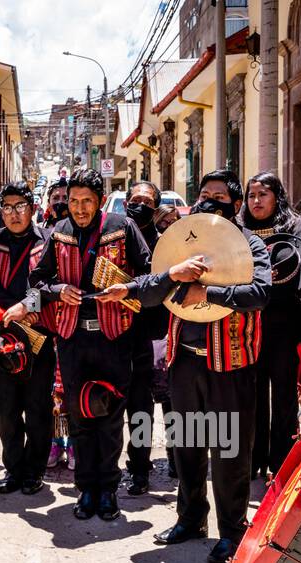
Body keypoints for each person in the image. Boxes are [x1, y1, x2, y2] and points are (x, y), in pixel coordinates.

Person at [102, 169, 272, 563]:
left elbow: (260, 293)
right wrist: (128, 289)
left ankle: (232, 531)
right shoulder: (179, 240)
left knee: (229, 454)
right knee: (187, 447)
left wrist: (207, 291)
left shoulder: (249, 244)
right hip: (185, 364)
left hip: (229, 364)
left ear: (235, 204)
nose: (210, 201)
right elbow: (156, 284)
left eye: (220, 195)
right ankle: (190, 518)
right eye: (204, 194)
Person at [31, 167, 152, 521]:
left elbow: (148, 273)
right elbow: (36, 281)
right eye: (73, 201)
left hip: (114, 335)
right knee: (80, 413)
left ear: (99, 201)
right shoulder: (59, 233)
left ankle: (109, 490)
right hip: (72, 337)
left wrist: (125, 287)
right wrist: (57, 290)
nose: (79, 208)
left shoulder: (121, 227)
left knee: (111, 413)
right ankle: (86, 490)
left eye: (87, 201)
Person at [0, 181, 53, 495]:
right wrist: (14, 312)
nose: (13, 213)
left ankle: (35, 470)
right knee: (7, 408)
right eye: (6, 207)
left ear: (32, 208)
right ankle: (13, 469)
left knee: (38, 406)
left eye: (20, 206)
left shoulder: (47, 241)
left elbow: (52, 278)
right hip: (3, 337)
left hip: (40, 335)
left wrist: (29, 307)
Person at [243, 170, 301, 480]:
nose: (256, 201)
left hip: (283, 322)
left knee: (283, 394)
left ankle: (281, 462)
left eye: (263, 194)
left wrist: (255, 283)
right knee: (252, 394)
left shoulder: (294, 225)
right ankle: (253, 459)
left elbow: (293, 273)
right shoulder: (238, 228)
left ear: (277, 196)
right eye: (251, 195)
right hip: (248, 324)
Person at [120, 178, 167, 495]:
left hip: (147, 335)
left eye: (148, 202)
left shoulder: (166, 243)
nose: (141, 206)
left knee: (141, 406)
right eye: (136, 199)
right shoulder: (115, 236)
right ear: (125, 203)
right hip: (114, 332)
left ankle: (140, 468)